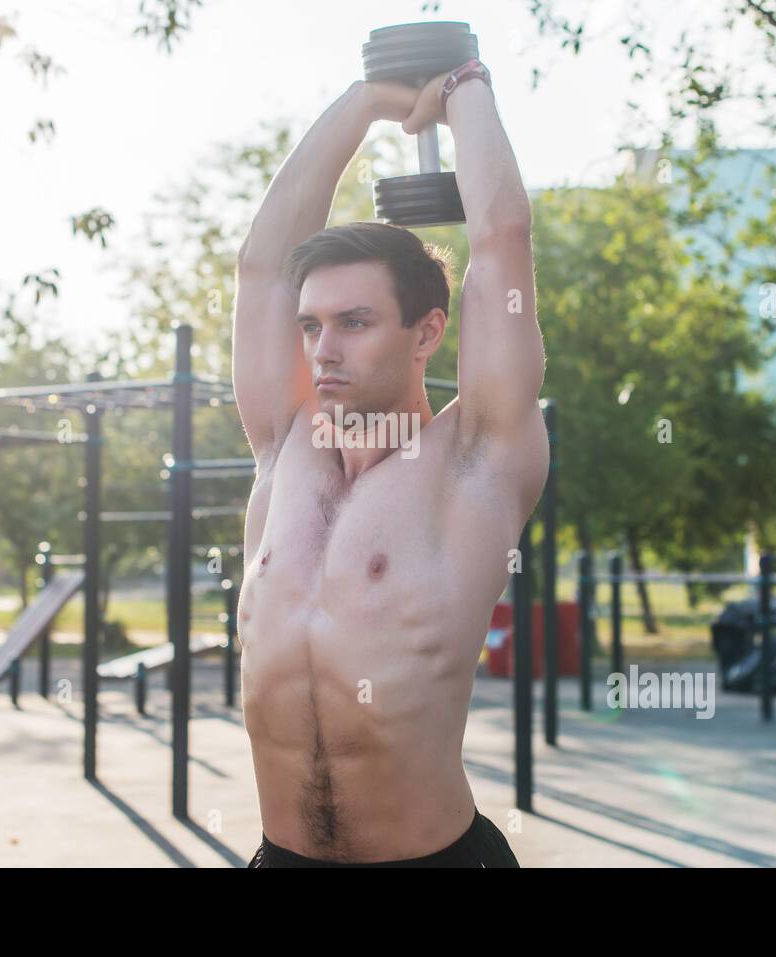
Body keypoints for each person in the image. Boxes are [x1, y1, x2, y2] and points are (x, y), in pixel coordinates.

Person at [233, 56, 547, 867]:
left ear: (428, 331)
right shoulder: (283, 445)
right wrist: (369, 100)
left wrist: (463, 89)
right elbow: (263, 265)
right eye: (312, 326)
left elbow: (502, 242)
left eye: (356, 322)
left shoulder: (476, 460)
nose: (324, 350)